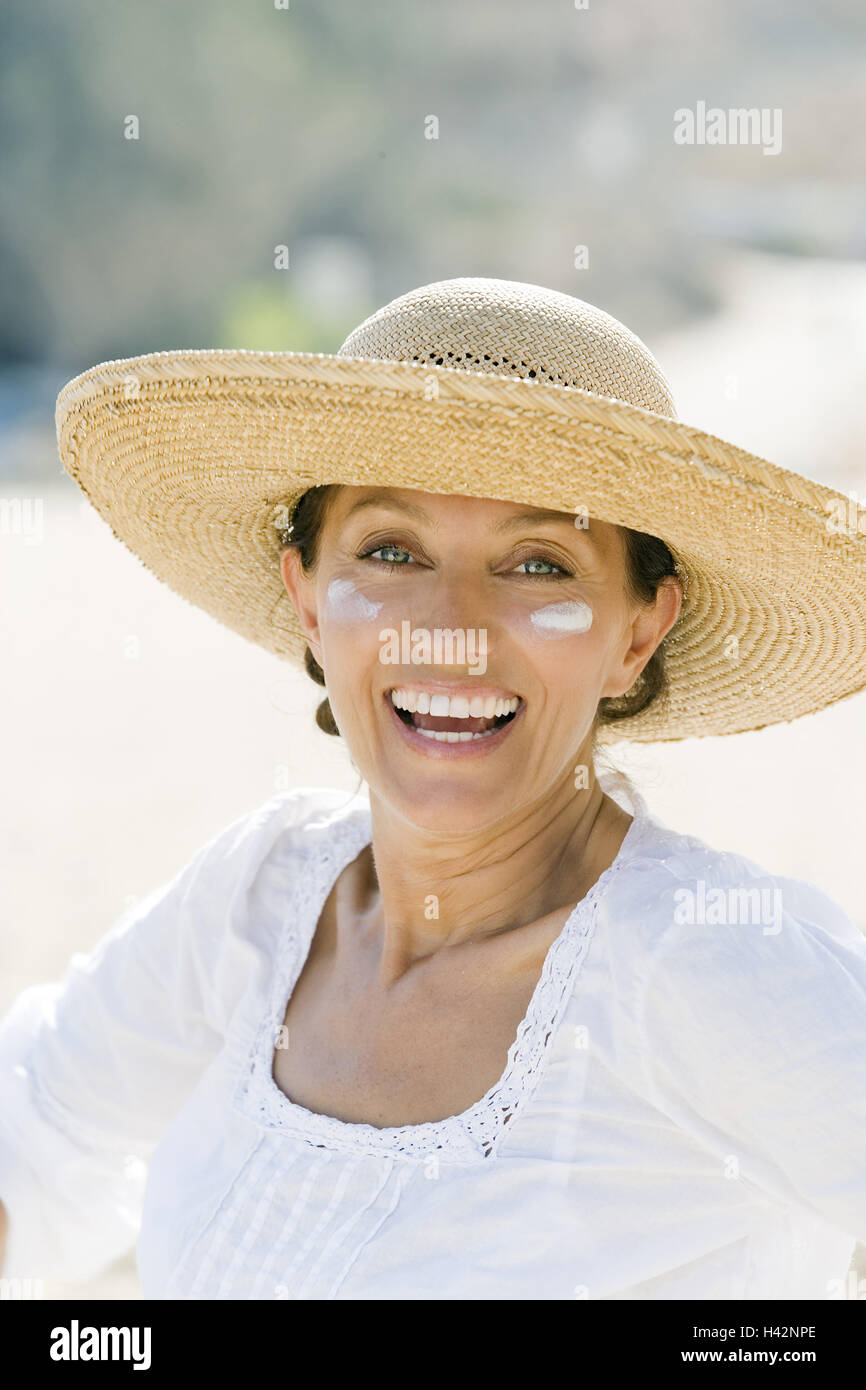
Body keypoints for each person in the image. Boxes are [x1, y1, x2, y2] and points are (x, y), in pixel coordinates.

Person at [2, 277, 865, 1299]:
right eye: (389, 550)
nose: (449, 625)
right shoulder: (260, 896)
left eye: (537, 564)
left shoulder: (712, 960)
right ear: (308, 601)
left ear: (637, 632)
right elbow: (35, 1131)